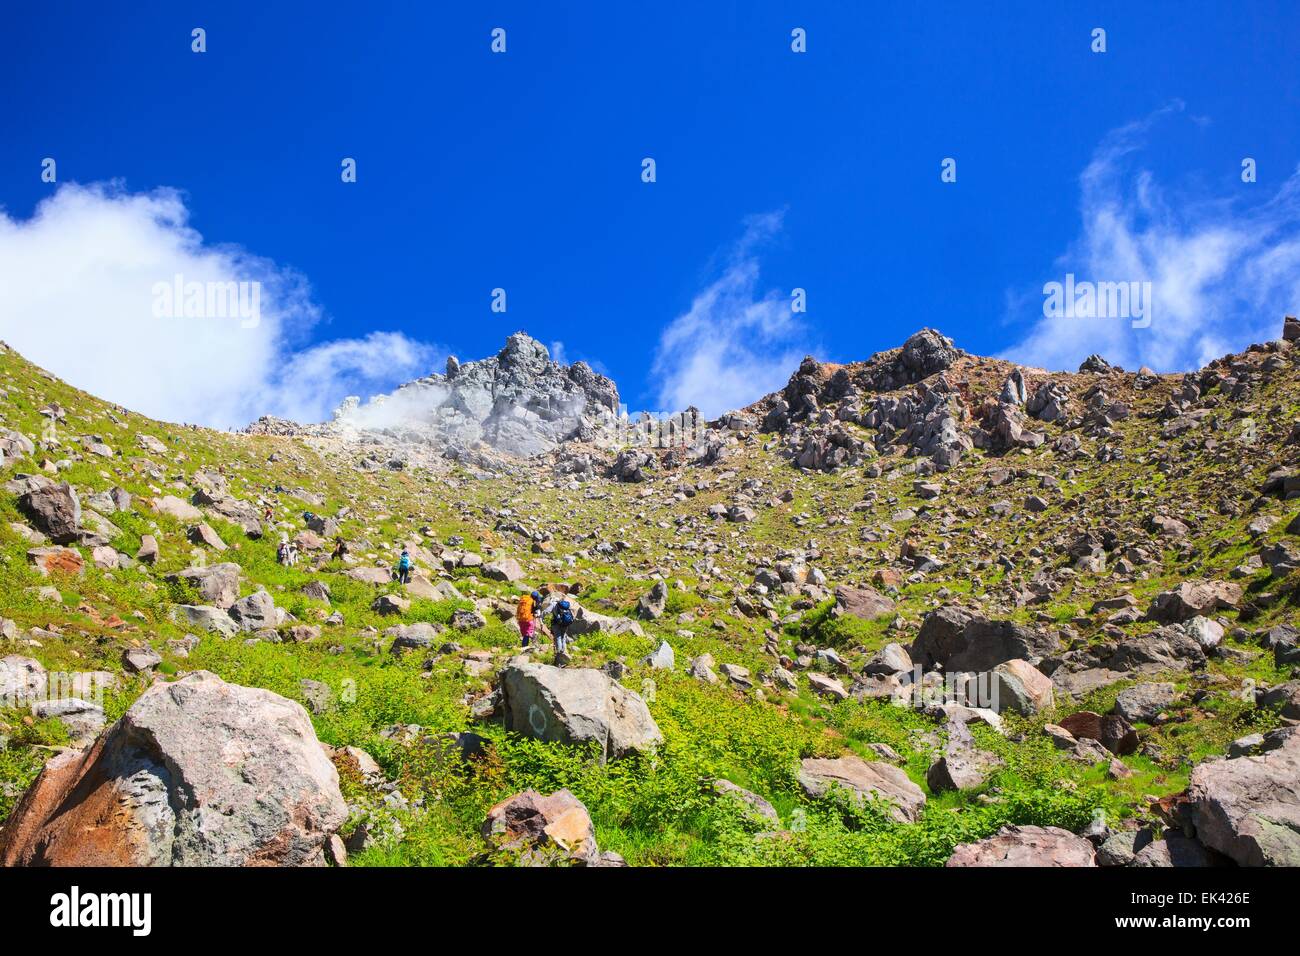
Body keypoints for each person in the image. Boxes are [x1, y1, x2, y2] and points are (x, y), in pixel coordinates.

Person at [550, 594, 575, 664]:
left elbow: (547, 612)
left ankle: (560, 652)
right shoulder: (566, 606)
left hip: (557, 623)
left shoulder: (554, 605)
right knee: (563, 637)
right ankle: (564, 651)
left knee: (558, 637)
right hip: (566, 623)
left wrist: (541, 618)